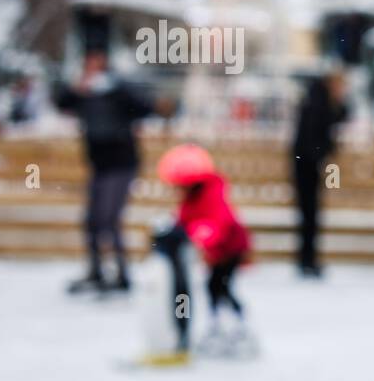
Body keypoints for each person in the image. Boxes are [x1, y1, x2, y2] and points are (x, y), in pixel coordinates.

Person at [54, 51, 167, 294]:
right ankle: (96, 271)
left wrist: (117, 88)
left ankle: (121, 274)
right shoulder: (85, 93)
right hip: (99, 166)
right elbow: (61, 103)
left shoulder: (119, 92)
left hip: (122, 164)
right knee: (92, 220)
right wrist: (78, 88)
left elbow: (146, 107)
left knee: (109, 219)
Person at [157, 144, 254, 357]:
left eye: (179, 187)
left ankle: (237, 326)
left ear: (192, 184)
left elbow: (216, 225)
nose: (176, 192)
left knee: (219, 287)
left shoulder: (212, 195)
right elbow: (182, 221)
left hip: (230, 250)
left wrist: (197, 235)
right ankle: (219, 325)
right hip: (218, 253)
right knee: (213, 288)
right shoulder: (190, 201)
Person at [291, 70, 348, 277]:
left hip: (307, 164)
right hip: (306, 165)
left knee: (310, 215)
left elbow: (341, 116)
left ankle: (308, 259)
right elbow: (313, 136)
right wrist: (321, 154)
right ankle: (307, 260)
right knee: (309, 214)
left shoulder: (319, 100)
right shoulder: (317, 103)